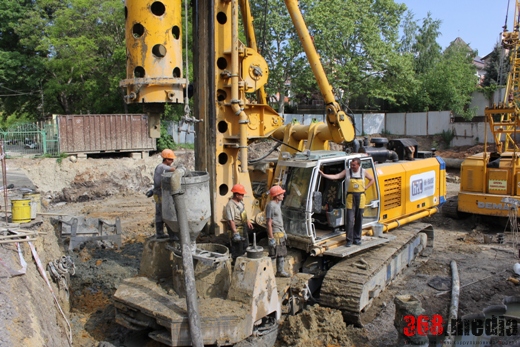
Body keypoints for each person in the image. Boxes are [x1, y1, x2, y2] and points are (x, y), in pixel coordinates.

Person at [319, 158, 374, 246]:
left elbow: (372, 179)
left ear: (358, 165)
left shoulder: (363, 172)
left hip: (361, 197)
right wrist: (324, 175)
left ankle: (357, 239)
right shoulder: (347, 171)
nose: (352, 166)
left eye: (354, 165)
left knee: (359, 219)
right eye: (351, 165)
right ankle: (349, 240)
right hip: (350, 198)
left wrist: (366, 187)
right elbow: (336, 176)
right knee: (350, 219)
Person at [225, 184, 254, 260]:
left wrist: (247, 221)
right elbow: (231, 220)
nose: (243, 196)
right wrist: (235, 233)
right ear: (237, 195)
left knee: (245, 246)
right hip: (236, 228)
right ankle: (236, 265)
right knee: (237, 249)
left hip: (243, 227)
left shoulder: (241, 203)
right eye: (242, 194)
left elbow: (243, 213)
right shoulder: (230, 205)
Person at [266, 185, 290, 277]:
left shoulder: (276, 205)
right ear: (276, 196)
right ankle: (269, 273)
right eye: (281, 194)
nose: (283, 196)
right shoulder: (271, 206)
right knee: (274, 254)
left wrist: (283, 232)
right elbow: (269, 223)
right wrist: (271, 238)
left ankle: (279, 271)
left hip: (280, 232)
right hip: (276, 233)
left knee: (281, 253)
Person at [153, 149, 177, 239]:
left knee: (161, 212)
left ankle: (161, 233)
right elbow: (173, 169)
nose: (172, 161)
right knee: (164, 212)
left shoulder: (161, 168)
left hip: (158, 192)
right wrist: (181, 168)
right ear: (166, 159)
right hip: (159, 193)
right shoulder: (161, 167)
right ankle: (165, 234)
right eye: (171, 159)